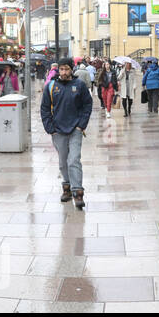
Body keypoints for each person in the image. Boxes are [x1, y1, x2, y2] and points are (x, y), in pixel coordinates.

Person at [41, 58, 93, 210]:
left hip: (75, 129)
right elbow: (44, 108)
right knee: (63, 162)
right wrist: (50, 128)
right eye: (61, 69)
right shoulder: (51, 86)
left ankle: (78, 192)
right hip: (58, 130)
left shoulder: (79, 85)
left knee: (74, 160)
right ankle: (67, 187)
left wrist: (81, 125)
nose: (63, 72)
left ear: (72, 69)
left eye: (66, 69)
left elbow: (87, 105)